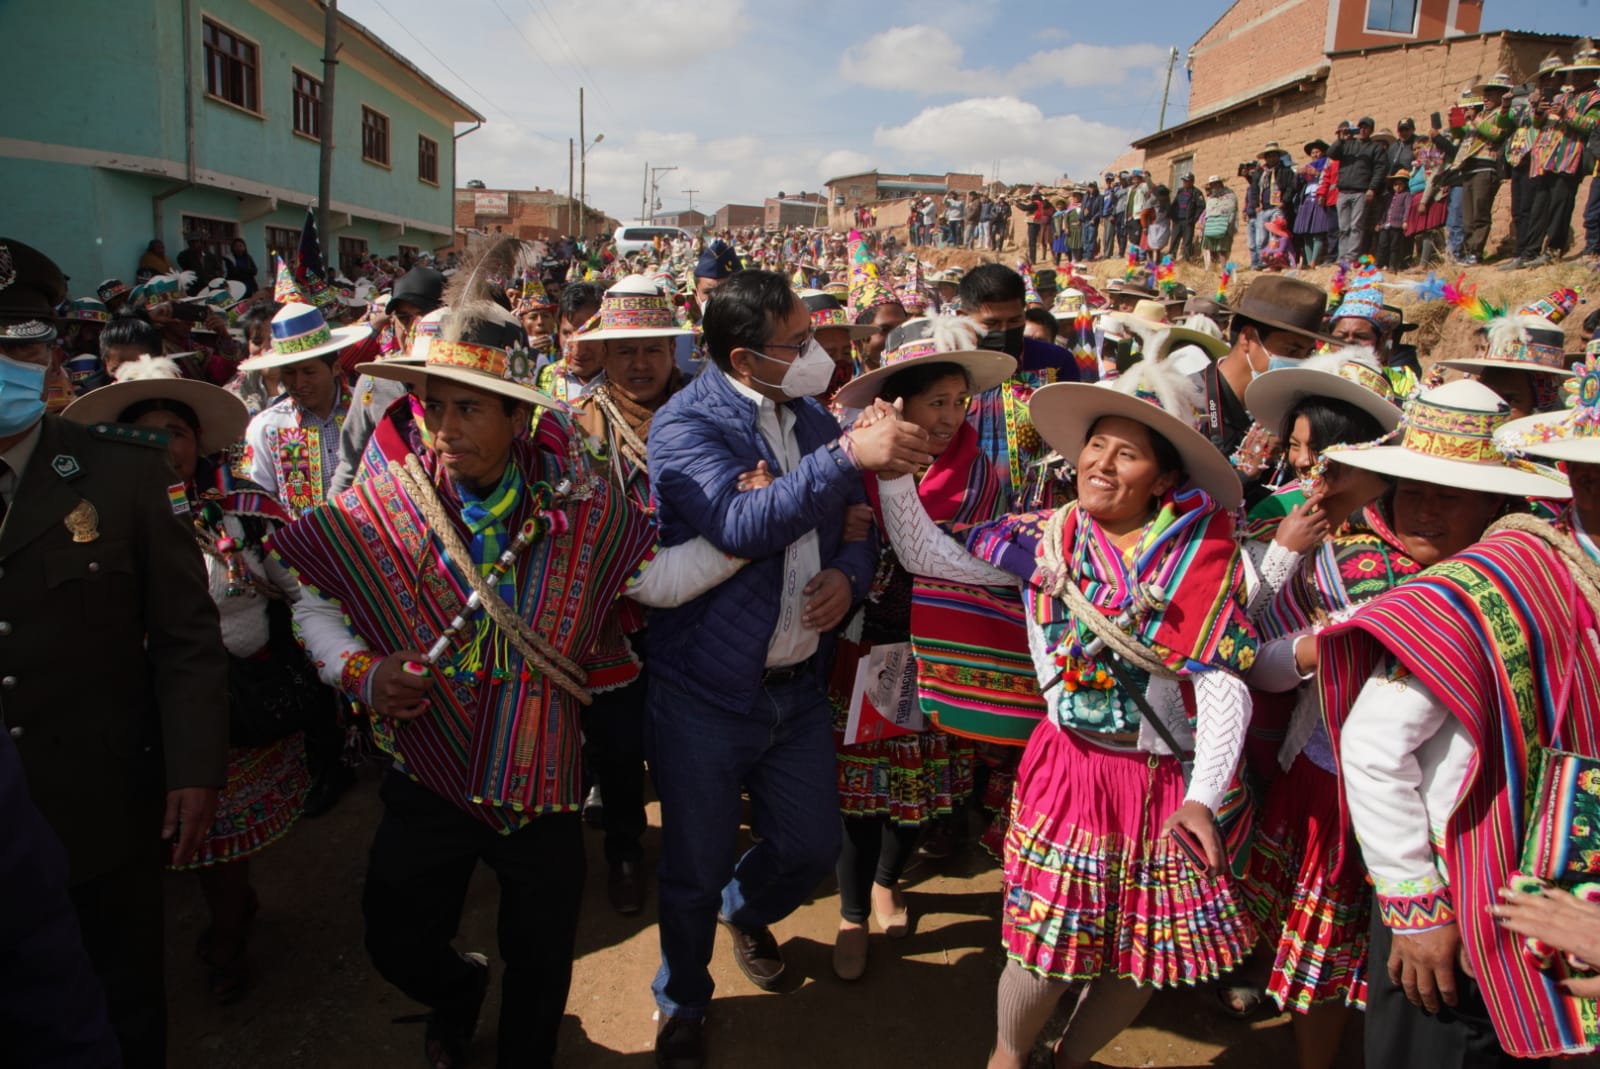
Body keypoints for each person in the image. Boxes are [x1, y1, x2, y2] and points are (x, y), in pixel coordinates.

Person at [274, 283, 746, 1069]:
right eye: (433, 406)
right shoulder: (383, 503)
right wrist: (361, 671)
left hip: (542, 776)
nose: (444, 428)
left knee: (541, 953)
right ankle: (456, 991)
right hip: (424, 768)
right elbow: (312, 603)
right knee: (394, 935)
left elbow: (656, 580)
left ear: (517, 417)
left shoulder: (582, 507)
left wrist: (746, 533)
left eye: (469, 409)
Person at [874, 357, 1259, 1069]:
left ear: (1166, 477)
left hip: (1161, 784)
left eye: (1130, 452)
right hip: (1069, 771)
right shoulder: (1041, 538)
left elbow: (1222, 680)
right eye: (1097, 445)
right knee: (1044, 946)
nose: (1104, 464)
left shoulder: (1200, 559)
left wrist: (1204, 797)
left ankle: (1071, 1057)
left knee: (1141, 952)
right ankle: (1009, 1055)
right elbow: (926, 552)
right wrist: (896, 471)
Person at [645, 270, 932, 1068]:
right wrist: (844, 456)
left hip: (798, 683)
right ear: (744, 356)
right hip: (705, 688)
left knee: (808, 849)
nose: (814, 355)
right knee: (693, 866)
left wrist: (847, 564)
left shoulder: (805, 416)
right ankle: (682, 1002)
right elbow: (742, 523)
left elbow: (854, 514)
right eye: (798, 343)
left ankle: (746, 907)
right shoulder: (684, 426)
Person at [0, 238, 228, 1068]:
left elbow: (185, 635)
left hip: (98, 803)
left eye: (19, 347)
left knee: (121, 999)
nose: (5, 366)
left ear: (53, 356)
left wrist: (193, 767)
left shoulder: (118, 474)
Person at [1317, 380, 1587, 1066]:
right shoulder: (1476, 587)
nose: (1426, 511)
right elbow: (1373, 745)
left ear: (1496, 500)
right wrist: (1417, 906)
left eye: (1450, 495)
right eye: (1414, 491)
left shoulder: (1535, 573)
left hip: (1529, 895)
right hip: (1458, 900)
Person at [64, 355, 322, 1006]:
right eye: (141, 430)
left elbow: (303, 590)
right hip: (129, 710)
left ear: (196, 440)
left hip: (228, 707)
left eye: (172, 431)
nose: (159, 444)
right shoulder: (86, 519)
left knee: (217, 843)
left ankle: (230, 932)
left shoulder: (242, 509)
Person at [825, 318, 1016, 980]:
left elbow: (969, 557)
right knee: (859, 791)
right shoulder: (855, 459)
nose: (949, 416)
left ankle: (886, 878)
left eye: (960, 402)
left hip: (940, 650)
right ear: (897, 404)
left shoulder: (983, 474)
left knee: (915, 785)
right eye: (936, 401)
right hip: (862, 643)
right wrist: (844, 530)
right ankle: (851, 912)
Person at [569, 277, 693, 916]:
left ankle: (693, 853)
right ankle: (624, 849)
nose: (639, 364)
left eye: (652, 349)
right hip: (609, 617)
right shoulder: (572, 425)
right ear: (604, 355)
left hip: (698, 608)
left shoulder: (710, 412)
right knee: (615, 746)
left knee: (688, 744)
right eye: (624, 351)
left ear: (674, 351)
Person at [956, 264, 1081, 510]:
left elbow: (1074, 434)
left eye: (1015, 320)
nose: (1005, 331)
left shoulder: (1056, 362)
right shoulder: (947, 366)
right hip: (960, 508)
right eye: (991, 324)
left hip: (1036, 510)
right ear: (963, 318)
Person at [241, 299, 370, 520]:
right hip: (301, 549)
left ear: (335, 368)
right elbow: (258, 499)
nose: (299, 383)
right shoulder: (267, 427)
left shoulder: (367, 410)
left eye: (309, 372)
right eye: (289, 373)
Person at [1518, 45, 1600, 268]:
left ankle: (1554, 250)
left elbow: (1592, 126)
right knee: (1539, 207)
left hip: (1569, 158)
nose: (1577, 77)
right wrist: (1538, 111)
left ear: (1594, 75)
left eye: (1583, 73)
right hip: (1547, 158)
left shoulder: (1596, 98)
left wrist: (1566, 114)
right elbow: (1538, 124)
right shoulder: (1564, 96)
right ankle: (1530, 252)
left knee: (1559, 207)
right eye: (1575, 73)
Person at [1452, 73, 1518, 265]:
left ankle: (1476, 251)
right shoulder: (1480, 115)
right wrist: (1455, 118)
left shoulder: (1503, 114)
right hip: (1469, 169)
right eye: (1485, 94)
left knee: (1480, 212)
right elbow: (1460, 133)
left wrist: (1477, 121)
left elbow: (1496, 134)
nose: (1486, 97)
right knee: (1468, 215)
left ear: (1502, 95)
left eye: (1491, 93)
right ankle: (1466, 250)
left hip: (1487, 168)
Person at [1327, 117, 1387, 261]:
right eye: (1361, 127)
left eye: (1366, 127)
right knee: (1343, 227)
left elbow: (1380, 169)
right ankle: (1342, 257)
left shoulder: (1375, 148)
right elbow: (1331, 154)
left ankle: (1351, 256)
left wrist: (1372, 188)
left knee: (1356, 226)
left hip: (1361, 191)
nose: (1363, 130)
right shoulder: (1348, 144)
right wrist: (1341, 139)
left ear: (1371, 130)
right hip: (1343, 191)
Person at [1293, 141, 1337, 266]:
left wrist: (1317, 174)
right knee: (1306, 234)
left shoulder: (1327, 165)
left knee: (1317, 232)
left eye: (1317, 152)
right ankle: (1308, 261)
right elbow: (1297, 187)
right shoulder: (1307, 166)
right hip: (1307, 201)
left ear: (1323, 153)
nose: (1314, 155)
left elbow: (1329, 179)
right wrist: (1298, 175)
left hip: (1319, 199)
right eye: (1312, 152)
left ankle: (1314, 261)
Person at [1201, 175, 1240, 271]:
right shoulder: (1211, 197)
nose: (1214, 186)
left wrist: (1225, 220)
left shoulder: (1230, 195)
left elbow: (1230, 209)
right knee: (1211, 248)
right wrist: (1206, 222)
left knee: (1222, 248)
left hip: (1225, 224)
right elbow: (1208, 210)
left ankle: (1224, 268)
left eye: (1215, 184)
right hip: (1211, 225)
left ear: (1220, 183)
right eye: (1212, 185)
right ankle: (1213, 268)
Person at [1172, 173, 1203, 261]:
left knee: (1187, 241)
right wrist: (1173, 216)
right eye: (1184, 181)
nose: (1184, 183)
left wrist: (1194, 219)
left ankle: (1186, 260)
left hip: (1188, 221)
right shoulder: (1180, 191)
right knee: (1174, 240)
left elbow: (1201, 207)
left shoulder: (1197, 192)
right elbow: (1175, 204)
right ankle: (1171, 258)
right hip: (1178, 220)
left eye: (1186, 181)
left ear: (1192, 181)